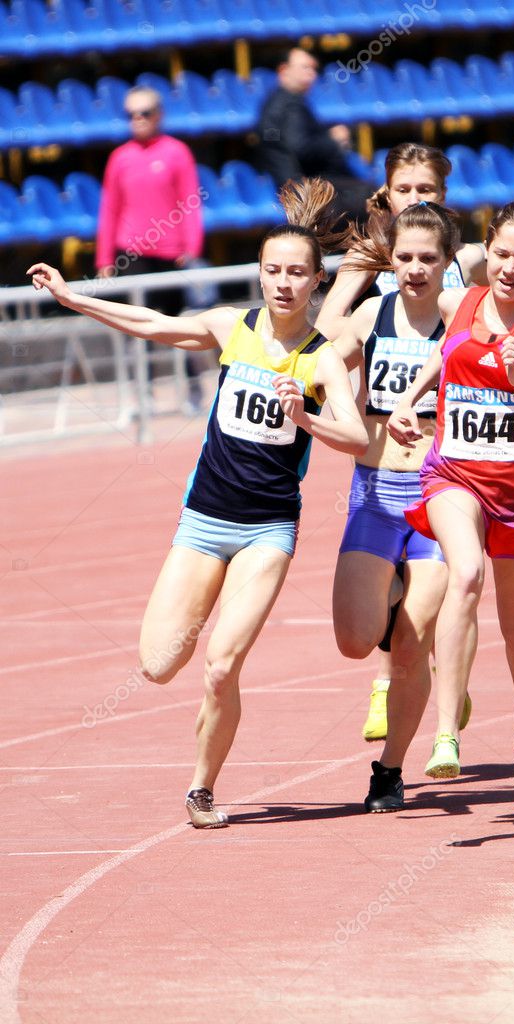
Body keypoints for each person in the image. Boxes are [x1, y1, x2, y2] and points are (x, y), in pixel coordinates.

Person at [28, 179, 369, 829]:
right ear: (260, 275)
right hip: (204, 522)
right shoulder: (230, 328)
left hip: (268, 530)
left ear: (315, 282)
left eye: (297, 273)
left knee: (220, 665)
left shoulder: (321, 361)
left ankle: (201, 789)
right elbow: (154, 324)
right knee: (158, 666)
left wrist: (307, 416)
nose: (283, 284)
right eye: (272, 271)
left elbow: (354, 437)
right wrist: (75, 298)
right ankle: (199, 726)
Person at [387, 178, 514, 805]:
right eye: (501, 253)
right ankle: (447, 734)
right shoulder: (461, 303)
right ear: (486, 251)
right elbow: (445, 357)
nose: (510, 267)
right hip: (454, 474)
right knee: (465, 574)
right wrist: (408, 400)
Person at [317, 142, 485, 742]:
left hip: (449, 467)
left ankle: (433, 691)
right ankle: (390, 676)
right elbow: (324, 336)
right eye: (405, 190)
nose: (416, 198)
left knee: (435, 610)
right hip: (380, 463)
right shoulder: (374, 263)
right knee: (385, 613)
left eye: (428, 191)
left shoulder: (469, 264)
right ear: (386, 195)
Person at [331, 200, 468, 812]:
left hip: (442, 493)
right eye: (405, 257)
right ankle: (388, 595)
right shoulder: (373, 311)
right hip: (375, 490)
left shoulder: (463, 316)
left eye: (428, 258)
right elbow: (324, 352)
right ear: (391, 260)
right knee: (357, 641)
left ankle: (389, 770)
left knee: (412, 647)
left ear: (448, 263)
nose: (415, 268)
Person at [96, 85, 206, 415]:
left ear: (158, 115)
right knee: (136, 329)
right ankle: (142, 397)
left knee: (177, 328)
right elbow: (110, 209)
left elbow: (190, 202)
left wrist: (191, 247)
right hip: (132, 254)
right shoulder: (120, 158)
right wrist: (104, 257)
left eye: (144, 113)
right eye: (131, 115)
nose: (137, 120)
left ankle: (192, 392)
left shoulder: (177, 152)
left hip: (171, 254)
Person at [256, 47, 371, 224]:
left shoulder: (280, 102)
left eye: (313, 68)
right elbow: (301, 149)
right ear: (283, 70)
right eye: (305, 67)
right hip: (301, 189)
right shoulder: (289, 106)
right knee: (372, 198)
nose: (312, 74)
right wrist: (333, 138)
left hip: (302, 184)